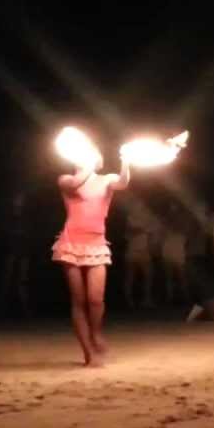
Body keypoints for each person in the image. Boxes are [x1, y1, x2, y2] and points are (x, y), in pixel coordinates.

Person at [54, 148, 130, 367]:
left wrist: (126, 161)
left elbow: (123, 183)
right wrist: (87, 164)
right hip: (71, 243)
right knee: (78, 300)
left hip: (96, 243)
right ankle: (88, 352)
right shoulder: (66, 179)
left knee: (95, 299)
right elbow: (75, 184)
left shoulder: (107, 179)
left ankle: (96, 333)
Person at [0, 191, 34, 317]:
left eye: (21, 199)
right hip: (11, 251)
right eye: (17, 199)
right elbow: (5, 232)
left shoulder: (26, 216)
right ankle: (1, 310)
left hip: (23, 252)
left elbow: (28, 233)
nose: (19, 201)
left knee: (22, 281)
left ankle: (25, 310)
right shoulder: (9, 215)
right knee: (7, 279)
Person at [122, 195, 158, 310]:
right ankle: (129, 301)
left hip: (143, 250)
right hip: (133, 251)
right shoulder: (131, 218)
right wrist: (141, 230)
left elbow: (151, 235)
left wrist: (151, 247)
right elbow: (127, 234)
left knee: (147, 276)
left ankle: (146, 300)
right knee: (131, 276)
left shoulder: (147, 219)